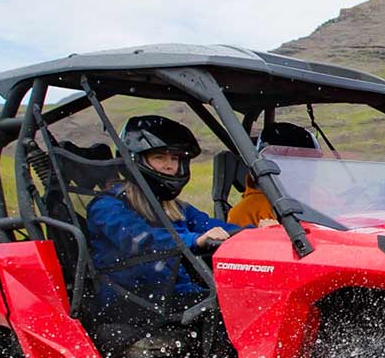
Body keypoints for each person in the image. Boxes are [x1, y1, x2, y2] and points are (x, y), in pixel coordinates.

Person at [87, 114, 257, 318]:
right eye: (159, 157)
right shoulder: (107, 206)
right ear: (136, 159)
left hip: (176, 296)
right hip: (136, 304)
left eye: (174, 158)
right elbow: (143, 240)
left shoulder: (174, 207)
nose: (170, 166)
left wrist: (261, 234)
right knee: (233, 314)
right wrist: (196, 240)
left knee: (251, 302)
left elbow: (213, 226)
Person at [227, 121, 319, 227]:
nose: (303, 170)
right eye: (296, 163)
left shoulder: (319, 196)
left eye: (308, 162)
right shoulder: (246, 211)